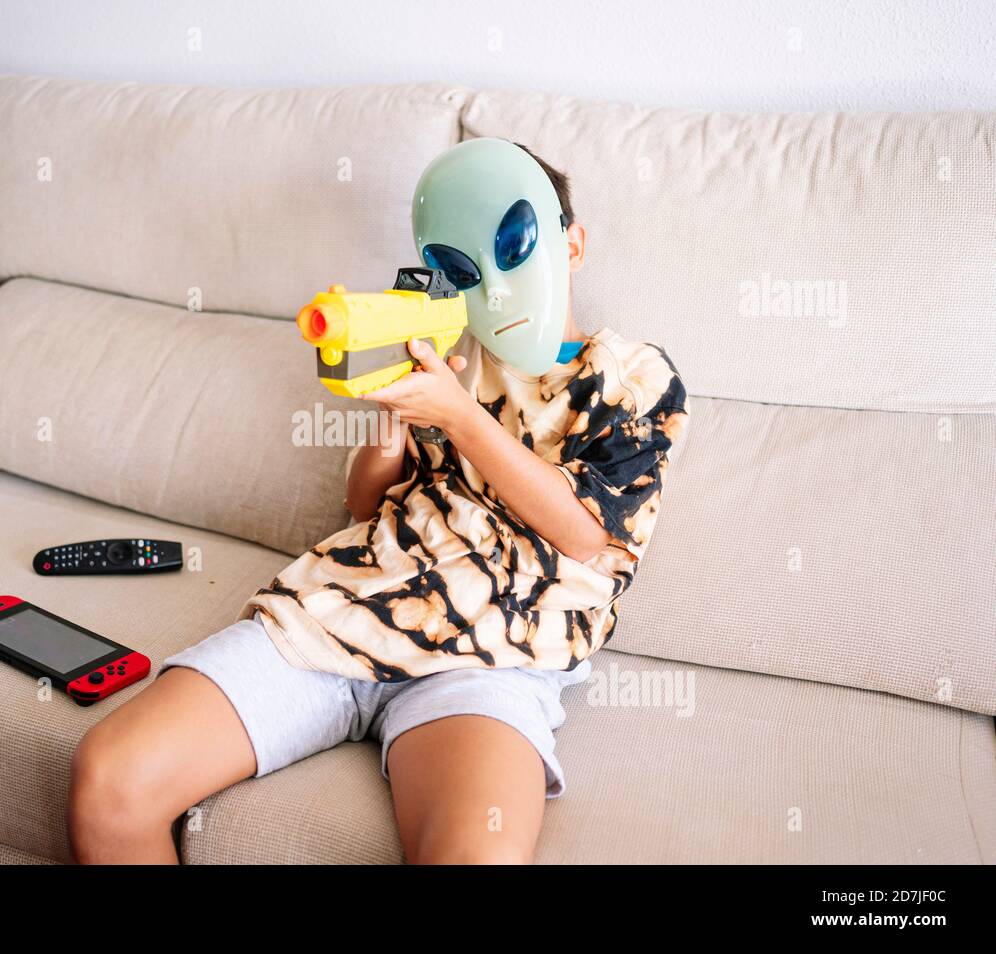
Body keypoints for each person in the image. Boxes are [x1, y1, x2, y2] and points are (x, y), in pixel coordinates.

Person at [68, 137, 689, 864]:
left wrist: (459, 416)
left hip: (493, 658)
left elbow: (587, 533)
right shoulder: (450, 349)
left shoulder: (633, 377)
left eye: (512, 245)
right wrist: (394, 414)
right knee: (110, 780)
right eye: (459, 267)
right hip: (348, 602)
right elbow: (367, 505)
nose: (485, 286)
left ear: (572, 245)